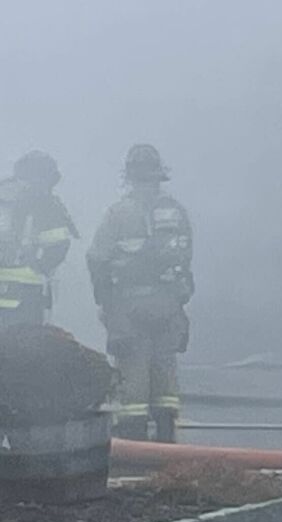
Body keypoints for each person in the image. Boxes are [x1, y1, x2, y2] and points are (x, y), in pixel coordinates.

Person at [88, 144, 194, 443]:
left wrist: (105, 301)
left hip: (129, 305)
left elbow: (96, 258)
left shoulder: (119, 213)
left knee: (132, 376)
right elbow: (185, 260)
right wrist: (179, 300)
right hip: (167, 304)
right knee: (165, 373)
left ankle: (133, 448)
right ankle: (166, 444)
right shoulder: (175, 211)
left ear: (130, 177)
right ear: (159, 175)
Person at [0, 152, 76, 328]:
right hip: (27, 295)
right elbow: (59, 246)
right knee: (24, 352)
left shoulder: (4, 197)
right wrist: (39, 265)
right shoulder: (45, 202)